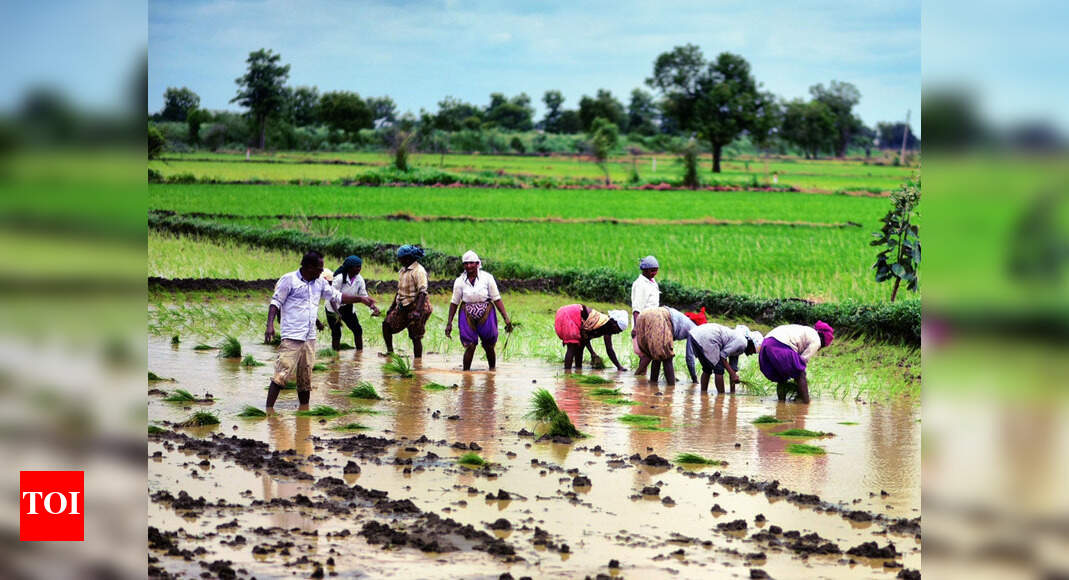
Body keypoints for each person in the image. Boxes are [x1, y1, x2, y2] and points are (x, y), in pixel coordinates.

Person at [263, 251, 367, 411]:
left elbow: (337, 296)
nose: (321, 271)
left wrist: (360, 299)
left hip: (309, 337)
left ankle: (304, 411)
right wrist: (270, 326)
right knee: (282, 374)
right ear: (308, 267)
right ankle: (268, 410)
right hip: (292, 336)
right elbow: (275, 303)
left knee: (305, 377)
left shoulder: (320, 283)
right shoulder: (289, 280)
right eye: (319, 268)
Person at [444, 251, 514, 371]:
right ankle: (466, 374)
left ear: (477, 264)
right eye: (466, 264)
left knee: (488, 344)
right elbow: (454, 302)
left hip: (486, 310)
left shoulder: (487, 278)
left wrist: (506, 318)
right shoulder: (460, 281)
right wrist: (449, 322)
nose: (468, 266)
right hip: (467, 312)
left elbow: (496, 298)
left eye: (471, 263)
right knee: (470, 345)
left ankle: (492, 371)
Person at [758, 321, 834, 404]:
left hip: (766, 342)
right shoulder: (817, 340)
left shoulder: (807, 330)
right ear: (823, 341)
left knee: (781, 378)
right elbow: (803, 360)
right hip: (780, 344)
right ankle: (805, 404)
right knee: (800, 373)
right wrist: (802, 390)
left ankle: (781, 403)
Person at [382, 245, 433, 358]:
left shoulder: (419, 271)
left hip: (418, 305)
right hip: (404, 305)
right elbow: (399, 291)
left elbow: (422, 292)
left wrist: (417, 312)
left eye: (400, 258)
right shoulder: (403, 271)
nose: (399, 260)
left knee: (415, 336)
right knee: (386, 325)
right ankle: (390, 352)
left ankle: (417, 362)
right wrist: (392, 307)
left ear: (408, 258)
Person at [688, 323, 763, 394]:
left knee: (707, 368)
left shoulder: (739, 345)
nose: (752, 354)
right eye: (753, 351)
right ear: (751, 344)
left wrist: (732, 393)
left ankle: (703, 394)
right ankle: (721, 397)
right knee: (719, 369)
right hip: (707, 337)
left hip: (696, 335)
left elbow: (733, 369)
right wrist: (733, 374)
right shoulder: (742, 343)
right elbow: (722, 356)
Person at [325, 255, 380, 351]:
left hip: (347, 307)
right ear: (350, 268)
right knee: (336, 332)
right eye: (357, 266)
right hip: (333, 307)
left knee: (357, 330)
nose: (359, 269)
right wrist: (337, 314)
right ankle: (335, 356)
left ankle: (359, 354)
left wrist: (373, 307)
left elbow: (364, 296)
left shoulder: (359, 279)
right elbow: (332, 297)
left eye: (360, 266)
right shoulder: (339, 278)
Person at [554, 304, 628, 371]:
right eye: (617, 330)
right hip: (568, 315)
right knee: (572, 347)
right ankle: (567, 375)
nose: (617, 333)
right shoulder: (600, 322)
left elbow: (609, 349)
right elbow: (584, 336)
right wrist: (592, 353)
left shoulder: (607, 329)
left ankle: (578, 369)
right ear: (614, 324)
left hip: (567, 314)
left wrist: (619, 366)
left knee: (579, 346)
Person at [631, 255, 660, 374]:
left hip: (651, 321)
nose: (654, 273)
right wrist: (636, 327)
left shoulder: (652, 282)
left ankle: (641, 377)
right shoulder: (640, 284)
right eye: (652, 270)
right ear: (644, 271)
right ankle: (638, 376)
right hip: (642, 322)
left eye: (656, 270)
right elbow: (637, 308)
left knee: (647, 353)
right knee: (645, 354)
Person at [633, 307, 678, 385]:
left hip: (644, 316)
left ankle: (653, 383)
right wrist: (694, 379)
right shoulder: (690, 328)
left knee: (655, 354)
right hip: (655, 318)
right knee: (667, 357)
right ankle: (671, 387)